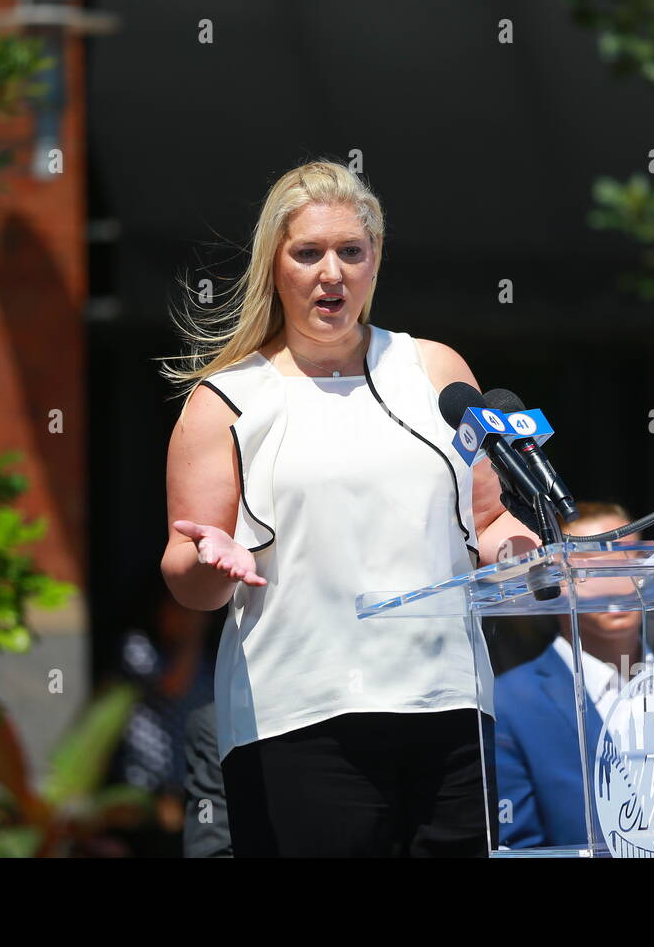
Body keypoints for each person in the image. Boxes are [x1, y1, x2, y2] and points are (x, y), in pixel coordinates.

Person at [158, 160, 535, 856]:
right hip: (298, 715)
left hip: (446, 705)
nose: (331, 272)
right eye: (308, 253)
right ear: (276, 266)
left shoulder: (436, 372)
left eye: (350, 252)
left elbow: (489, 521)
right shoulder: (228, 400)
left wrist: (521, 552)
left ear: (375, 261)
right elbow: (187, 575)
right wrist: (214, 563)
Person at [494, 502, 654, 851]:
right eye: (594, 563)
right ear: (555, 578)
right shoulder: (511, 704)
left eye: (630, 556)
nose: (619, 575)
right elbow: (519, 846)